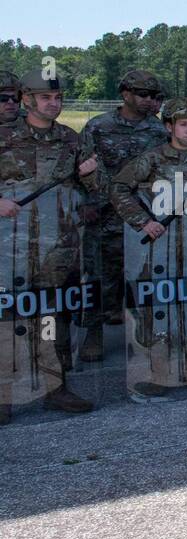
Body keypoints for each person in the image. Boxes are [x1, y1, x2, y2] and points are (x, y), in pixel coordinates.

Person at [110, 97, 187, 399]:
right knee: (160, 310)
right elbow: (119, 187)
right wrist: (143, 221)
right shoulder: (151, 160)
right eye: (183, 125)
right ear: (169, 127)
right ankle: (162, 373)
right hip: (164, 247)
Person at [0, 70, 99, 422]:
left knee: (51, 316)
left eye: (57, 98)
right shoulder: (5, 136)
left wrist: (89, 173)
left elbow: (96, 190)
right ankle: (4, 393)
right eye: (46, 98)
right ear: (27, 99)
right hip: (11, 247)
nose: (53, 104)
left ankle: (55, 386)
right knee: (8, 317)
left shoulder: (70, 140)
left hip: (59, 247)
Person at [78, 70, 168, 361]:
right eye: (143, 94)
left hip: (144, 216)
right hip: (104, 215)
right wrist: (87, 202)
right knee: (100, 276)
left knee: (144, 277)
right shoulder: (98, 127)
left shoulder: (158, 130)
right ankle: (94, 333)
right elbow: (81, 170)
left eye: (154, 96)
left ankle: (145, 333)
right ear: (125, 94)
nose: (148, 101)